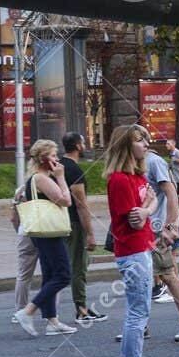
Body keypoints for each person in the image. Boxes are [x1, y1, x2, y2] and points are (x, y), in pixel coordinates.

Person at [104, 125, 160, 357]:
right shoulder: (120, 180)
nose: (146, 145)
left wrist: (147, 209)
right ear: (126, 146)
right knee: (138, 311)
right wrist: (147, 209)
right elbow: (136, 222)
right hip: (133, 251)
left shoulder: (137, 175)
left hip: (142, 249)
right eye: (140, 141)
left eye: (146, 140)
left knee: (139, 310)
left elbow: (152, 203)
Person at [13, 140, 75, 338]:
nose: (57, 159)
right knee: (63, 275)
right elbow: (66, 200)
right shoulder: (41, 178)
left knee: (49, 275)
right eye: (54, 155)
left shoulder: (34, 178)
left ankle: (52, 321)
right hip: (50, 232)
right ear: (43, 159)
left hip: (40, 232)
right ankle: (28, 311)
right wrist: (61, 177)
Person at [141, 141, 179, 341]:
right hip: (139, 231)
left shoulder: (154, 161)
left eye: (142, 139)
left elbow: (171, 192)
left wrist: (171, 225)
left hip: (156, 229)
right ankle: (139, 325)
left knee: (167, 275)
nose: (143, 143)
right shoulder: (130, 163)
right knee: (139, 278)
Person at [60, 132, 105, 326]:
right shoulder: (74, 170)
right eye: (84, 142)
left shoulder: (59, 166)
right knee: (79, 266)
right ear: (78, 146)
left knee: (69, 265)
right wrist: (91, 234)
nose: (85, 145)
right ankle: (81, 310)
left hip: (59, 222)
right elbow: (81, 205)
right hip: (75, 223)